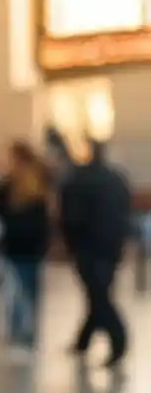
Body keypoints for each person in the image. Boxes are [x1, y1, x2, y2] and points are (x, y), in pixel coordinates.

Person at [61, 140, 131, 369]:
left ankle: (118, 340)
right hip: (111, 247)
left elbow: (71, 216)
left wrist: (70, 243)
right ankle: (83, 341)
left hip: (88, 248)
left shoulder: (78, 181)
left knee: (98, 296)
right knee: (97, 293)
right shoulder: (116, 179)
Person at [0, 142, 51, 361]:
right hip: (33, 247)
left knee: (15, 293)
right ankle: (29, 336)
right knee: (30, 293)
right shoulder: (39, 184)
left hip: (15, 246)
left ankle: (18, 336)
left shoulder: (7, 186)